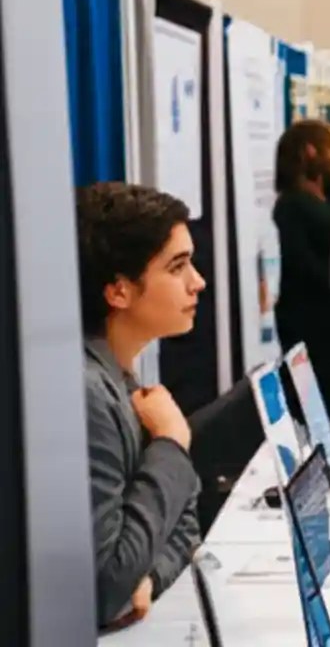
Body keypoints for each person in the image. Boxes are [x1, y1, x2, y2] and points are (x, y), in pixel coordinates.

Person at [77, 183, 205, 629]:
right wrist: (169, 444)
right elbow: (106, 582)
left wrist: (147, 575)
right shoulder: (87, 395)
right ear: (119, 291)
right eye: (178, 267)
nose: (198, 282)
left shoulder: (120, 374)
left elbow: (186, 524)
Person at [273, 120, 330, 420]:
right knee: (321, 413)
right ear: (310, 152)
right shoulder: (293, 207)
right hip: (313, 331)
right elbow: (310, 267)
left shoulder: (327, 200)